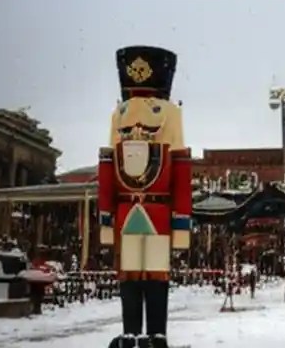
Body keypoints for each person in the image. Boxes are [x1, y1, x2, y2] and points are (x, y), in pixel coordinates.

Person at [99, 46, 193, 348]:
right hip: (131, 214)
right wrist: (106, 222)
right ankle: (131, 332)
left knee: (155, 275)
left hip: (157, 214)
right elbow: (106, 179)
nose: (137, 125)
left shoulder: (171, 127)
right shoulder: (118, 126)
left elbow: (181, 180)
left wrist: (181, 226)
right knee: (129, 275)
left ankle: (155, 333)